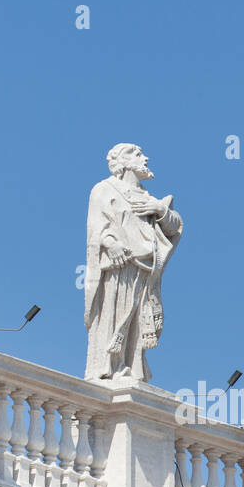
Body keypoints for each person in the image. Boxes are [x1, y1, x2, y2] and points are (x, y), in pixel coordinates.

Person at [84, 143, 183, 381]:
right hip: (119, 264)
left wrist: (159, 210)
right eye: (138, 154)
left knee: (139, 319)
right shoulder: (104, 189)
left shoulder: (150, 198)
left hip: (146, 268)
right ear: (124, 161)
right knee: (115, 313)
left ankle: (134, 367)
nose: (145, 158)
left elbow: (174, 227)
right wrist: (111, 243)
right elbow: (96, 226)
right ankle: (107, 367)